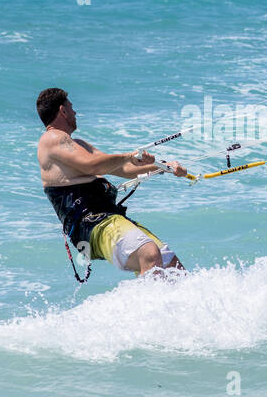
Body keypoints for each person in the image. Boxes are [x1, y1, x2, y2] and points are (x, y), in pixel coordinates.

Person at [36, 87, 187, 278]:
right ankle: (145, 306)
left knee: (172, 266)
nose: (75, 113)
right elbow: (93, 166)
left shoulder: (78, 145)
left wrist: (165, 167)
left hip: (107, 217)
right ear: (62, 111)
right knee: (149, 253)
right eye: (71, 107)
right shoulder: (52, 138)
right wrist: (128, 156)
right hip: (91, 223)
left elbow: (121, 169)